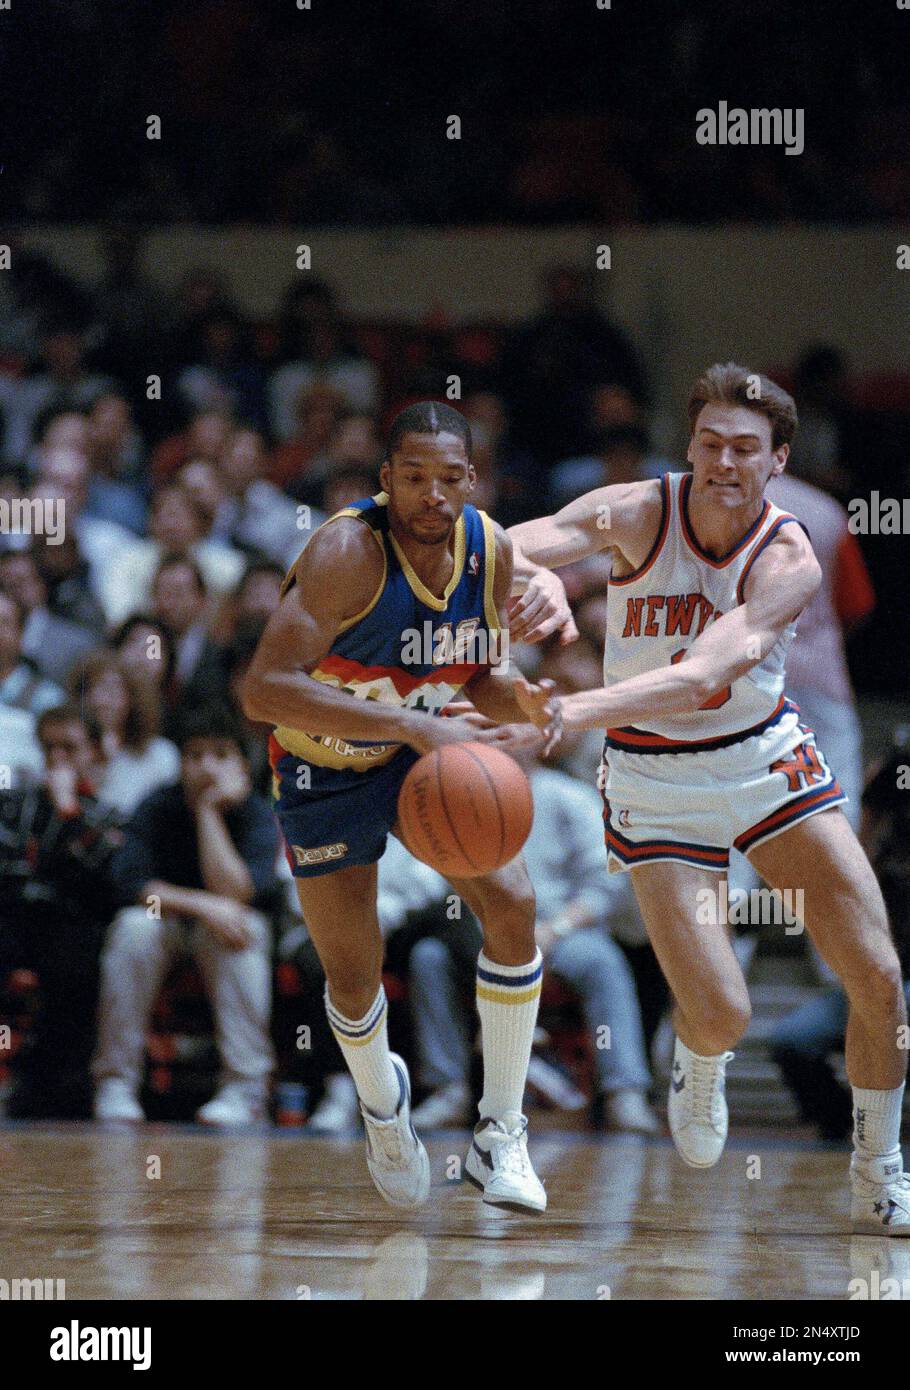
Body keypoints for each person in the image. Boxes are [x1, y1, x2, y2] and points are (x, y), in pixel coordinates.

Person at [508, 362, 910, 1236]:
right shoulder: (637, 510)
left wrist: (571, 710)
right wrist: (532, 575)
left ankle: (879, 1165)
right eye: (709, 444)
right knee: (723, 1011)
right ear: (687, 446)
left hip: (765, 763)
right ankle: (699, 1054)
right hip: (655, 782)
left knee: (878, 975)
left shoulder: (790, 553)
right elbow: (517, 539)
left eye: (745, 449)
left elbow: (705, 676)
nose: (724, 462)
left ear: (778, 462)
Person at [242, 401, 561, 1212]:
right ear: (386, 482)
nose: (433, 494)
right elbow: (262, 690)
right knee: (352, 973)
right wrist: (406, 723)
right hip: (323, 764)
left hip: (417, 759)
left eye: (449, 478)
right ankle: (385, 1112)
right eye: (414, 478)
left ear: (471, 480)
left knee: (516, 904)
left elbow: (472, 668)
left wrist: (511, 693)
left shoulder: (490, 550)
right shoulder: (348, 552)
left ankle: (500, 1135)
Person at [93, 705, 281, 1126]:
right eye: (194, 756)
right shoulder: (156, 805)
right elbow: (131, 885)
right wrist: (202, 905)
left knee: (242, 932)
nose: (205, 767)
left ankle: (244, 1089)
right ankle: (116, 1081)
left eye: (219, 755)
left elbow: (238, 892)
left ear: (242, 766)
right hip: (168, 920)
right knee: (132, 930)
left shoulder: (256, 812)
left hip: (228, 927)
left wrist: (208, 813)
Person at [0, 705, 123, 1118]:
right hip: (12, 918)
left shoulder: (106, 816)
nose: (57, 759)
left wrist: (68, 811)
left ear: (93, 752)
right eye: (49, 748)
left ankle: (49, 1092)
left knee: (78, 961)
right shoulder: (12, 803)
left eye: (69, 748)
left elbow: (99, 886)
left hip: (68, 928)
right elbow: (9, 871)